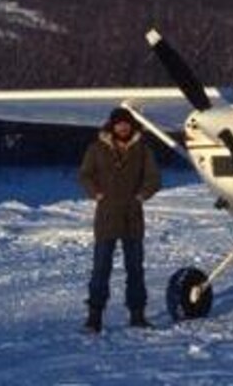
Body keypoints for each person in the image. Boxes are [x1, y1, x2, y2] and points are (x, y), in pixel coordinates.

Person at [79, 107, 161, 333]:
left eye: (127, 123)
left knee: (135, 268)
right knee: (101, 267)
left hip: (133, 216)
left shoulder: (143, 149)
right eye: (119, 124)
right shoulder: (96, 148)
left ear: (132, 126)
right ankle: (94, 316)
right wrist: (96, 193)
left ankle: (137, 314)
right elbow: (85, 174)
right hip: (106, 215)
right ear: (111, 126)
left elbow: (154, 178)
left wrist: (142, 195)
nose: (123, 127)